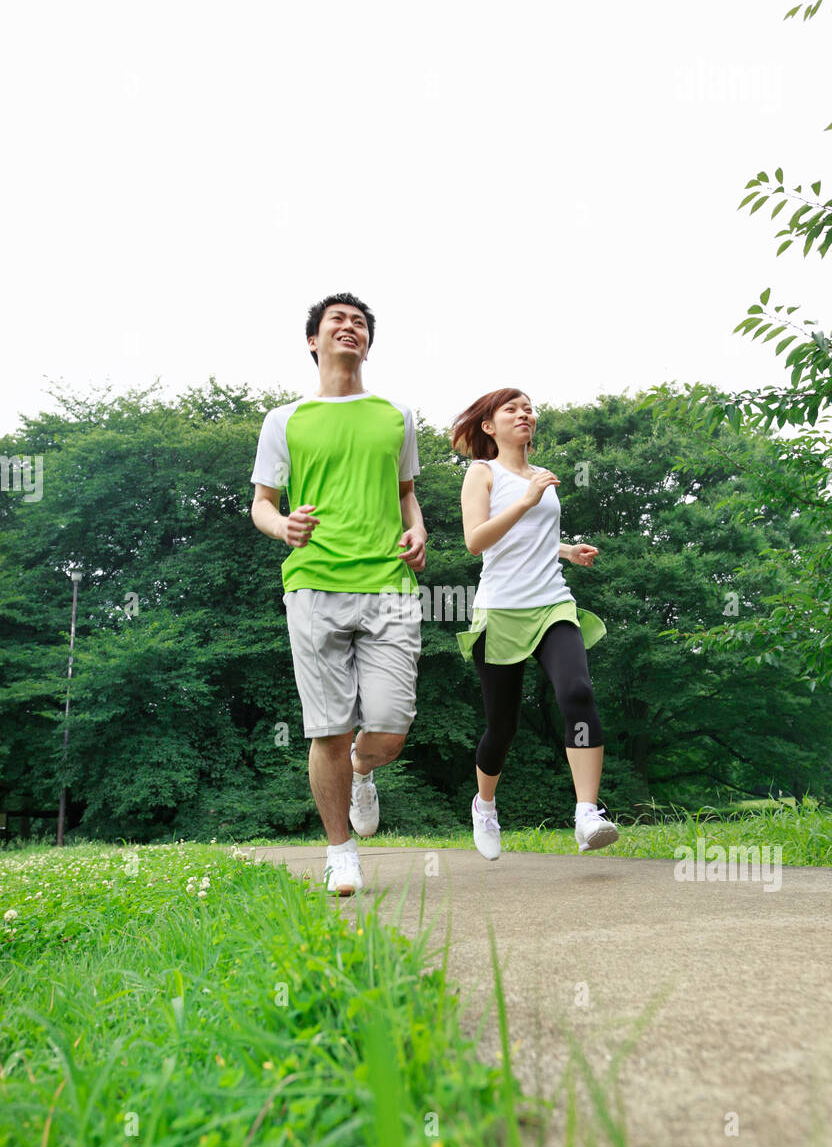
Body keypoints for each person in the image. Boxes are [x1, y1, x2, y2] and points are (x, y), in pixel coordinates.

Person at [250, 293, 427, 896]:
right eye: (337, 322)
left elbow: (406, 491)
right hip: (313, 582)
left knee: (390, 728)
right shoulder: (285, 420)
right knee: (326, 727)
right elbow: (262, 505)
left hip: (388, 583)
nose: (349, 328)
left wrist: (419, 526)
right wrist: (283, 528)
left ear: (368, 343)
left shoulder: (397, 415)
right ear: (313, 341)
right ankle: (339, 852)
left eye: (359, 323)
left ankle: (362, 771)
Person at [452, 388, 618, 860]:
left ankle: (587, 813)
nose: (524, 414)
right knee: (501, 728)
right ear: (489, 426)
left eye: (528, 408)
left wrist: (567, 551)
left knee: (577, 693)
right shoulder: (481, 473)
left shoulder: (540, 477)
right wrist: (526, 500)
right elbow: (476, 541)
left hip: (552, 604)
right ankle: (485, 805)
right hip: (501, 610)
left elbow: (534, 538)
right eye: (512, 409)